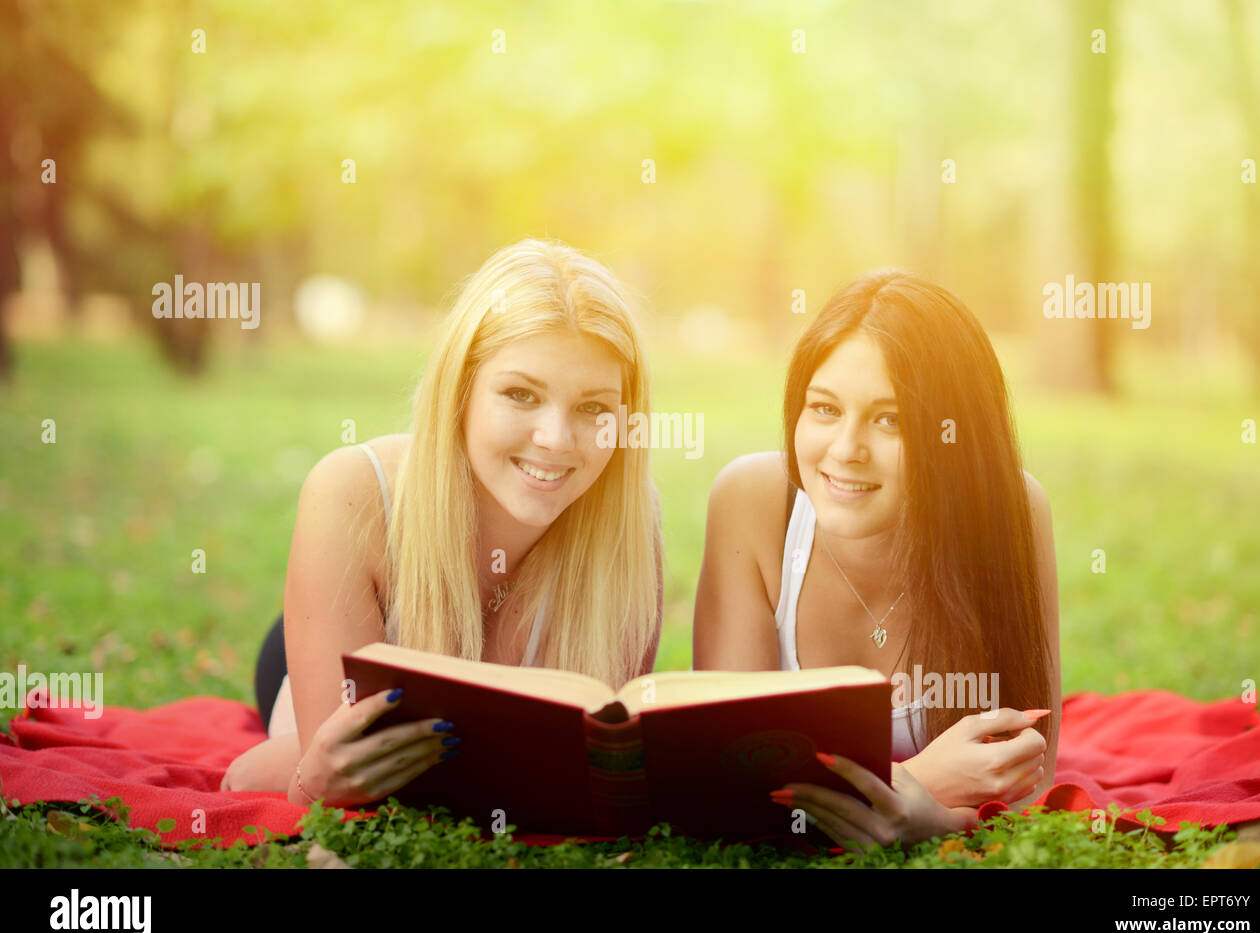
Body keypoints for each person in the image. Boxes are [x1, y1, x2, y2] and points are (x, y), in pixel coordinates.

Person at [223, 238, 663, 807]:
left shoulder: (630, 516)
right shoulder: (350, 492)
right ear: (461, 392)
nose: (556, 439)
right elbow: (334, 771)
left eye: (593, 408)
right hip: (342, 631)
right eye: (521, 394)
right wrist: (305, 778)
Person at [693, 270, 1060, 851]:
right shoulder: (753, 500)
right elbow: (729, 773)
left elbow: (1023, 769)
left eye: (890, 419)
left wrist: (941, 823)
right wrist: (917, 785)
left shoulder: (1010, 511)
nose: (845, 451)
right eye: (824, 409)